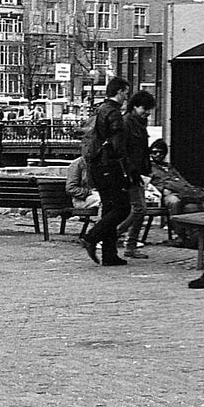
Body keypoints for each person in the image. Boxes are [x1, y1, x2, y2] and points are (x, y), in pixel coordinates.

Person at [79, 77, 131, 266]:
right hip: (109, 165)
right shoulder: (114, 113)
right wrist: (124, 164)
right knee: (122, 207)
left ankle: (110, 254)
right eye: (125, 92)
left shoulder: (99, 109)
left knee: (110, 207)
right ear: (118, 92)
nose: (127, 96)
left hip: (95, 165)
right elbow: (118, 145)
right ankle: (91, 237)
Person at [116, 90, 156, 259]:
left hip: (137, 172)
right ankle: (115, 235)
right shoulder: (127, 123)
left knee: (138, 209)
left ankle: (124, 241)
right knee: (139, 209)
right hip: (130, 172)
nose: (147, 112)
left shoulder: (139, 123)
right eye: (144, 108)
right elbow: (123, 150)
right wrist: (130, 170)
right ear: (135, 106)